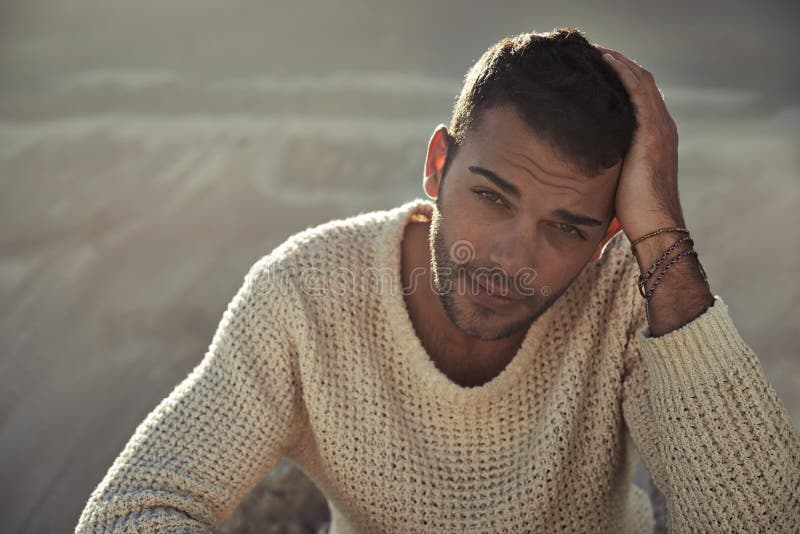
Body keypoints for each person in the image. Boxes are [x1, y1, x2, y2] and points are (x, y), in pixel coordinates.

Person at [76, 27, 800, 533]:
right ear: (436, 166)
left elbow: (757, 522)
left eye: (566, 227)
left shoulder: (625, 297)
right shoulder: (306, 296)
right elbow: (132, 509)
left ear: (608, 232)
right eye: (491, 196)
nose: (514, 259)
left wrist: (661, 235)